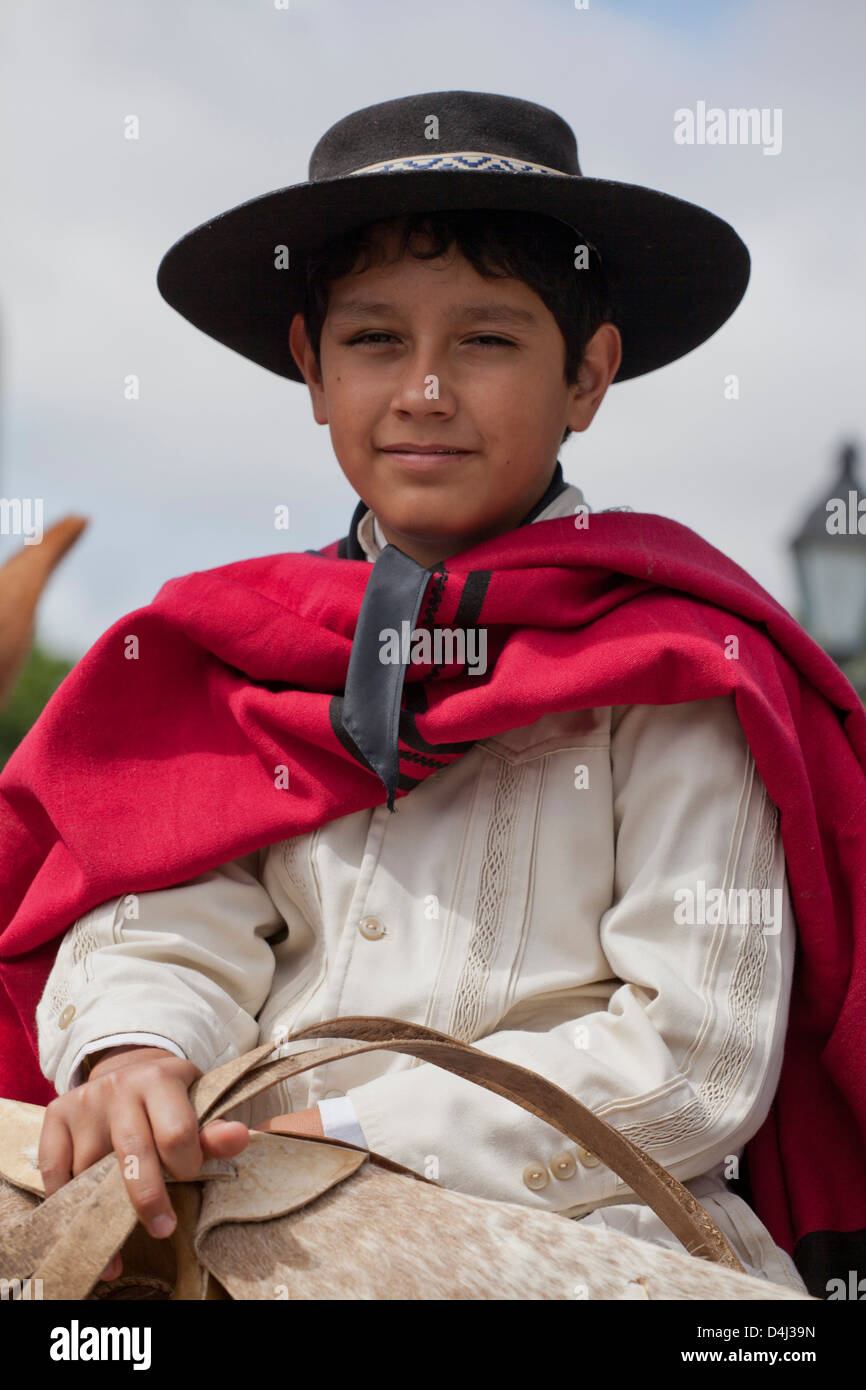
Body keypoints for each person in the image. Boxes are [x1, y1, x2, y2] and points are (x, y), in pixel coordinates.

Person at [3, 92, 864, 1299]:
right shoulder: (235, 651)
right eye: (371, 341)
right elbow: (170, 918)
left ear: (588, 375)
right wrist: (139, 1049)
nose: (422, 389)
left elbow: (694, 1056)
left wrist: (353, 1137)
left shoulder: (676, 663)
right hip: (232, 1194)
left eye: (487, 340)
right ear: (310, 368)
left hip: (586, 1241)